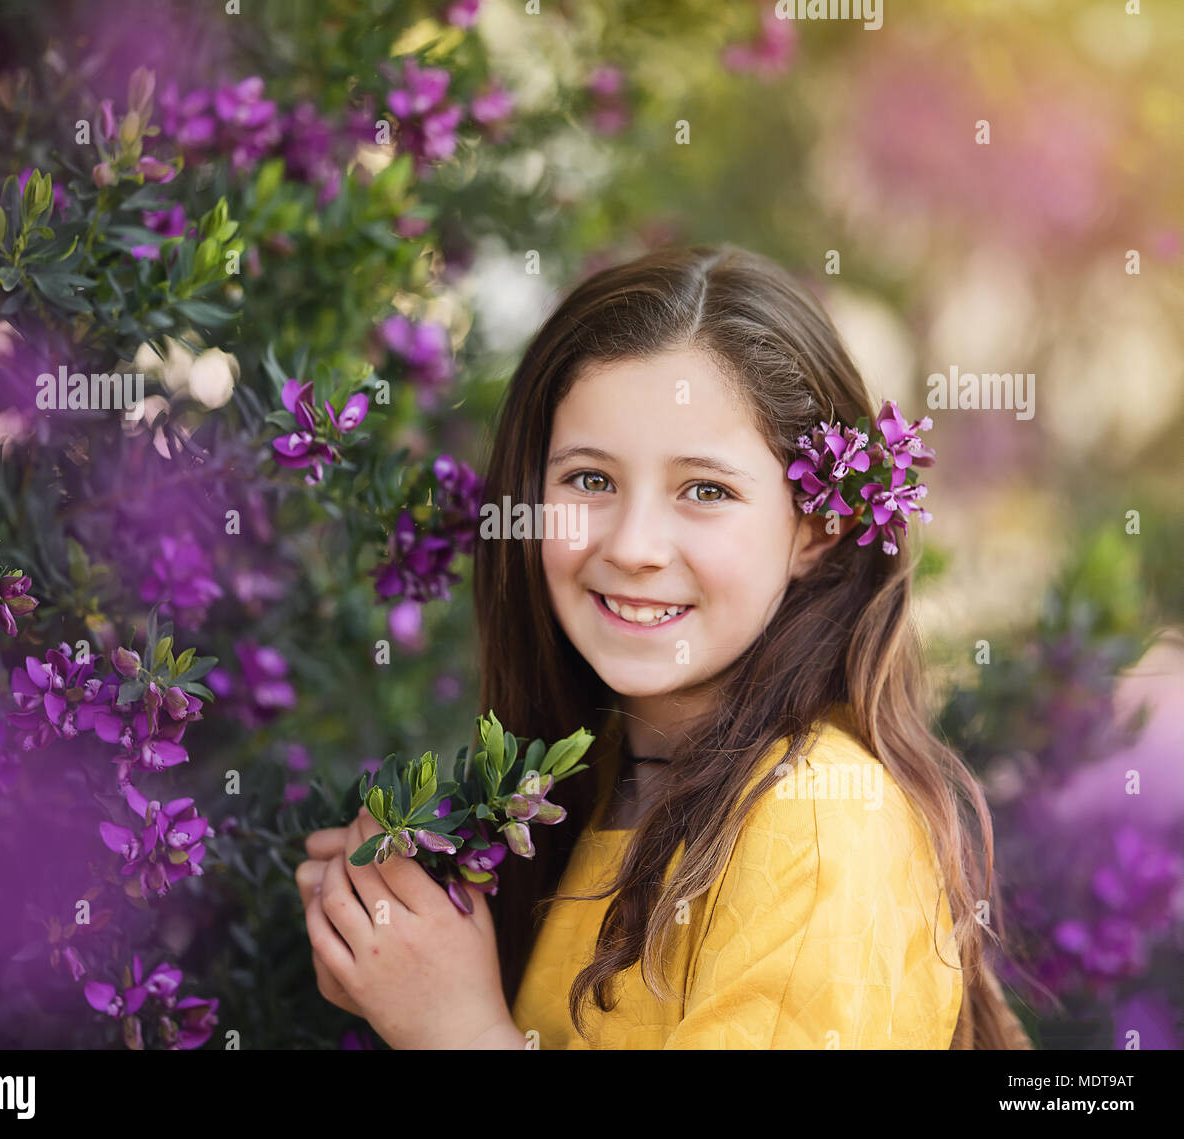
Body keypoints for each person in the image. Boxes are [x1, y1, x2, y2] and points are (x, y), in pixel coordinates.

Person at [295, 244, 1033, 1049]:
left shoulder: (818, 824)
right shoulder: (589, 778)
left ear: (817, 530)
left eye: (706, 490)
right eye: (589, 479)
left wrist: (452, 1026)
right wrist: (396, 943)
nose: (636, 544)